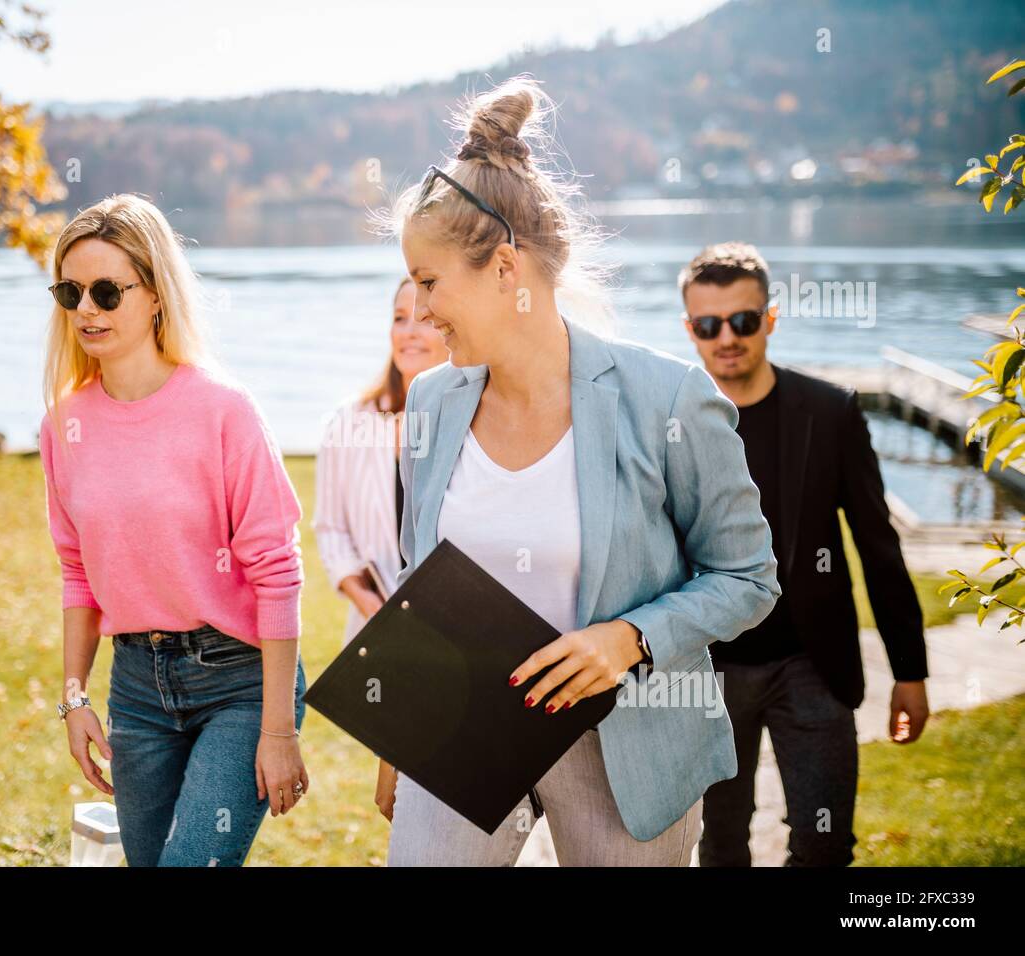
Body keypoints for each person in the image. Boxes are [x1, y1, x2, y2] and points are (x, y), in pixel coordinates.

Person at [374, 75, 781, 866]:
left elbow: (748, 576)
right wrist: (402, 732)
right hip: (460, 736)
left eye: (429, 284)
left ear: (503, 268)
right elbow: (413, 576)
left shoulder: (667, 396)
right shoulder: (429, 403)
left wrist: (629, 638)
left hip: (626, 752)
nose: (418, 313)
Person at [38, 193, 308, 867]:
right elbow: (77, 573)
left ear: (155, 294)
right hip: (136, 690)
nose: (86, 311)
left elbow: (277, 570)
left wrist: (278, 731)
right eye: (72, 292)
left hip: (238, 683)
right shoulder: (64, 425)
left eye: (107, 291)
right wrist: (73, 699)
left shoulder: (223, 410)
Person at [678, 241, 930, 867]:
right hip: (707, 674)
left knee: (823, 847)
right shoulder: (670, 420)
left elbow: (878, 546)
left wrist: (911, 671)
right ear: (690, 329)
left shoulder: (830, 412)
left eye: (743, 320)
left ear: (770, 317)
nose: (727, 338)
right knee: (718, 846)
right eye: (710, 325)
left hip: (812, 665)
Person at [313, 275, 449, 822]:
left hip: (463, 636)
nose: (408, 331)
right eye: (398, 316)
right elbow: (332, 532)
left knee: (458, 789)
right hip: (383, 636)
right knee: (399, 802)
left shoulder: (476, 418)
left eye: (422, 316)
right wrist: (379, 614)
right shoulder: (352, 422)